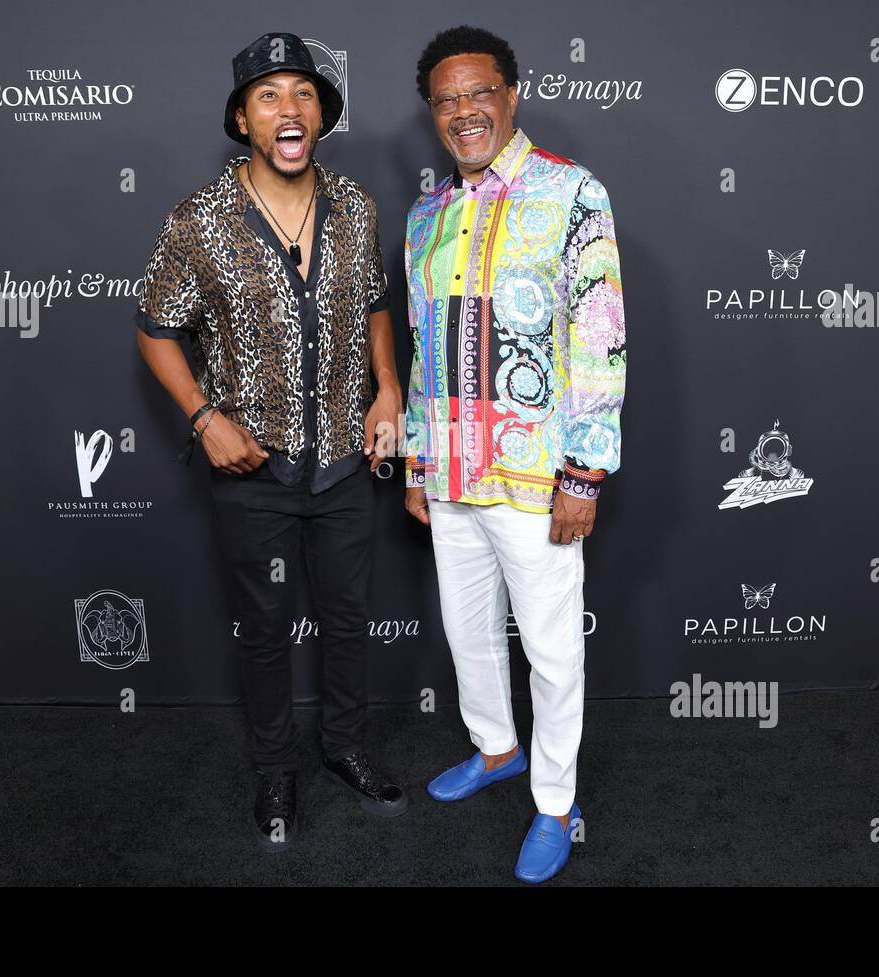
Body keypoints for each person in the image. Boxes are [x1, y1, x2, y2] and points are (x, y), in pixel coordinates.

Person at [135, 31, 407, 853]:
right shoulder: (200, 219)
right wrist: (201, 418)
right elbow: (154, 328)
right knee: (262, 627)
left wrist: (389, 386)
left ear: (322, 114)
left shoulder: (356, 206)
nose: (289, 109)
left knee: (349, 616)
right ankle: (275, 769)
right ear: (243, 121)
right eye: (268, 97)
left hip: (346, 464)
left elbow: (374, 305)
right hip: (252, 466)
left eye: (304, 94)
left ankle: (346, 746)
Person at [403, 25, 626, 883]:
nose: (465, 112)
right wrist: (419, 461)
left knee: (551, 648)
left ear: (512, 94)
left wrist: (584, 470)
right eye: (446, 100)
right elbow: (426, 350)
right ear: (434, 113)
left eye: (479, 93)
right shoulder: (427, 215)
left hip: (538, 475)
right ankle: (495, 748)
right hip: (453, 473)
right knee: (468, 636)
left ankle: (556, 802)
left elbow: (600, 337)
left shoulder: (572, 192)